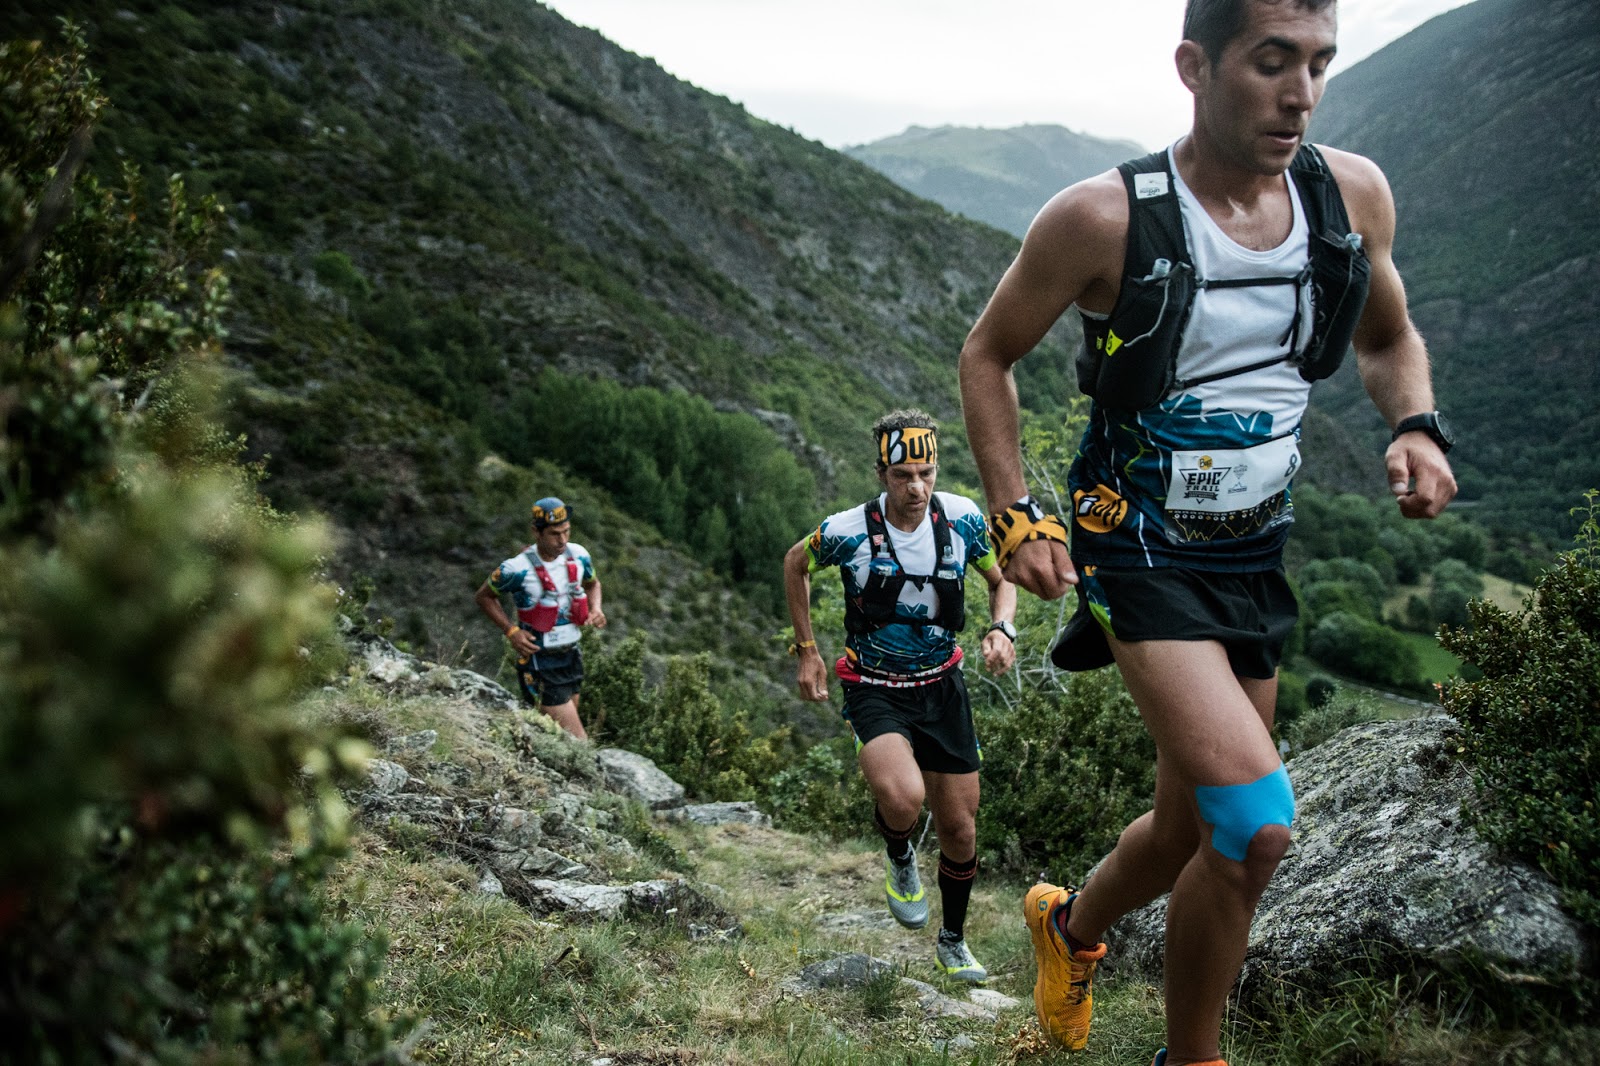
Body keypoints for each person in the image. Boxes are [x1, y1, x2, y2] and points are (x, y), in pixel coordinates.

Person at [958, 1, 1457, 1062]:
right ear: (1195, 65)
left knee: (1191, 825)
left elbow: (1387, 335)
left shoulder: (1350, 196)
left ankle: (1068, 929)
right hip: (1136, 542)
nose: (1301, 94)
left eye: (1319, 63)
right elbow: (987, 355)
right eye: (1272, 62)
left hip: (1254, 547)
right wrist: (1014, 514)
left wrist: (1413, 422)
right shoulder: (1103, 218)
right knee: (1256, 823)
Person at [783, 410, 1019, 983]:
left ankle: (953, 942)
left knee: (960, 828)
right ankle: (899, 853)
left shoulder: (961, 519)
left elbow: (1002, 579)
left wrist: (1002, 628)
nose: (917, 488)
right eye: (902, 476)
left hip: (942, 686)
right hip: (874, 687)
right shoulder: (849, 531)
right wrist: (807, 649)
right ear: (881, 474)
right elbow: (795, 562)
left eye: (926, 473)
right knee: (905, 797)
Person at [474, 496, 607, 739]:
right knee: (578, 740)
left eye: (566, 531)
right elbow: (484, 597)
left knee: (560, 737)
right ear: (536, 532)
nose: (562, 540)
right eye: (555, 534)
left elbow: (593, 584)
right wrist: (511, 631)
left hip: (572, 656)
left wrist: (596, 608)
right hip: (540, 661)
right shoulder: (516, 568)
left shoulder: (578, 555)